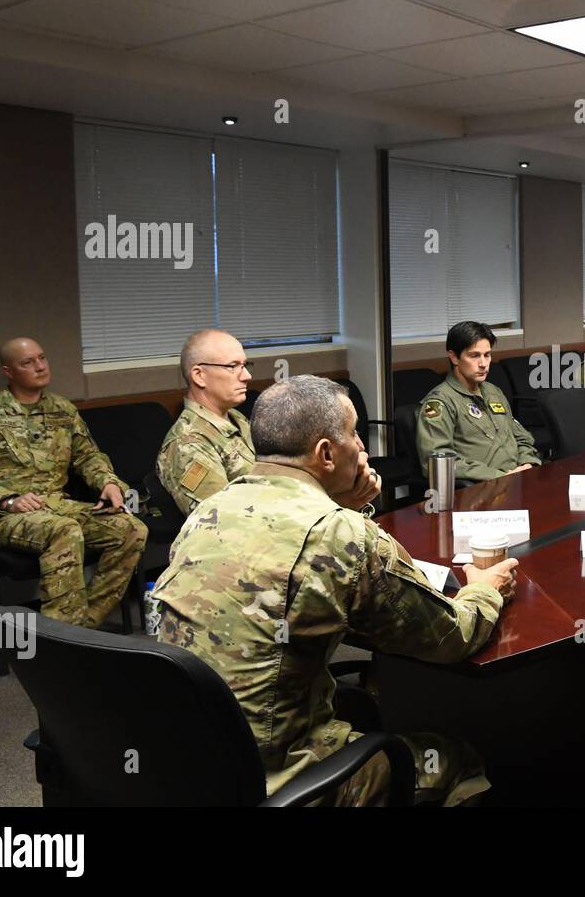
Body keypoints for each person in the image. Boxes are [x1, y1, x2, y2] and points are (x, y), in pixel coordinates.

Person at [153, 375, 518, 806]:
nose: (362, 447)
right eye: (354, 434)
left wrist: (346, 507)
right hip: (276, 778)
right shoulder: (342, 532)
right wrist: (485, 587)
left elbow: (299, 549)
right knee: (456, 760)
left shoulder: (210, 510)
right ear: (326, 452)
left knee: (358, 707)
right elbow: (450, 637)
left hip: (190, 762)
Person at [0, 337, 147, 628]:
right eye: (28, 362)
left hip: (58, 503)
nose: (40, 367)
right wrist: (7, 499)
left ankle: (84, 625)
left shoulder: (62, 410)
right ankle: (64, 635)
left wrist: (110, 483)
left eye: (42, 358)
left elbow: (88, 456)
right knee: (63, 530)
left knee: (131, 529)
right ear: (8, 372)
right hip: (6, 515)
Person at [416, 321, 541, 482]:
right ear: (454, 357)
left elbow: (521, 438)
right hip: (483, 489)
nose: (483, 364)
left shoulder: (493, 392)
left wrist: (528, 463)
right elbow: (437, 462)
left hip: (517, 481)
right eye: (474, 355)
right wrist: (499, 477)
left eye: (487, 355)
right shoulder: (440, 402)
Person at [156, 329, 256, 515]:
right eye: (233, 366)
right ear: (199, 376)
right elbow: (223, 520)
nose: (246, 376)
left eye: (245, 365)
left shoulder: (236, 418)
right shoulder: (188, 444)